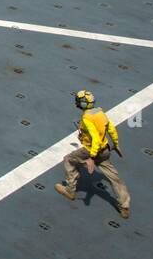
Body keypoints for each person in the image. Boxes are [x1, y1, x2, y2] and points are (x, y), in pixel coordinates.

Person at [55, 89, 130, 219]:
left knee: (68, 160)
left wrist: (91, 157)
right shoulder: (100, 112)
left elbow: (95, 138)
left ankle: (70, 191)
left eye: (78, 101)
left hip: (91, 150)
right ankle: (124, 206)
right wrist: (116, 144)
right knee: (114, 177)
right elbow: (111, 129)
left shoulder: (86, 118)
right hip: (105, 150)